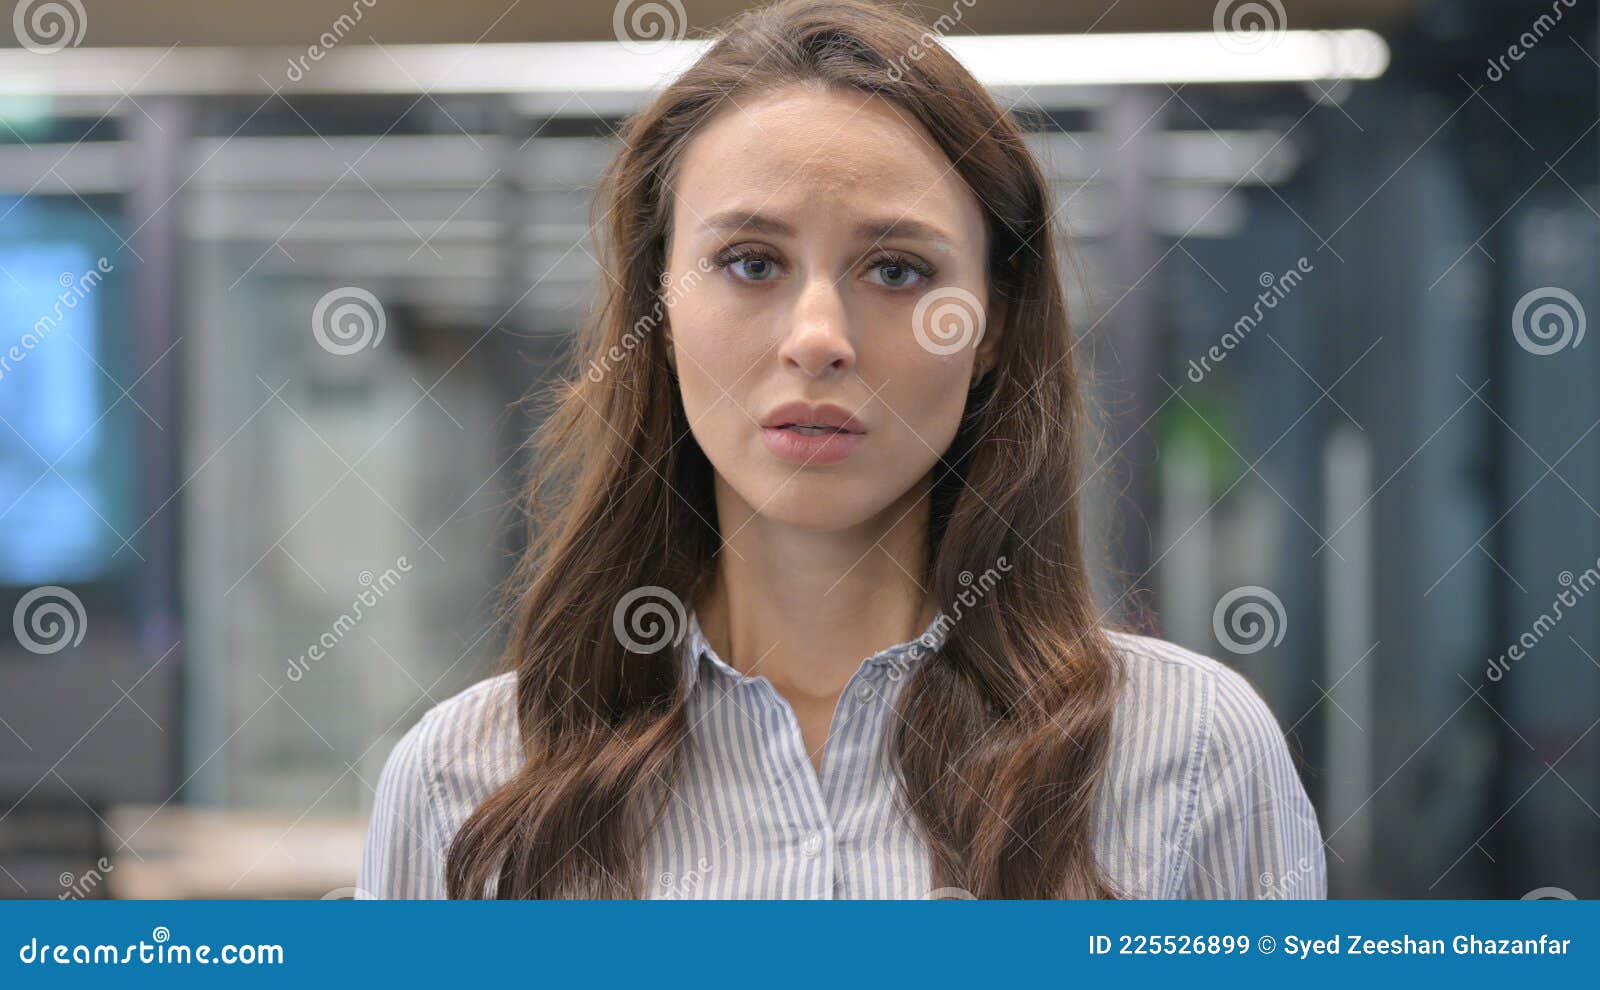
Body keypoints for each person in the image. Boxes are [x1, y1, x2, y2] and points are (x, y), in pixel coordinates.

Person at [359, 0, 1326, 900]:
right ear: (656, 313)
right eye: (749, 263)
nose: (817, 335)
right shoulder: (470, 783)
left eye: (898, 269)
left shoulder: (1189, 754)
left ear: (990, 325)